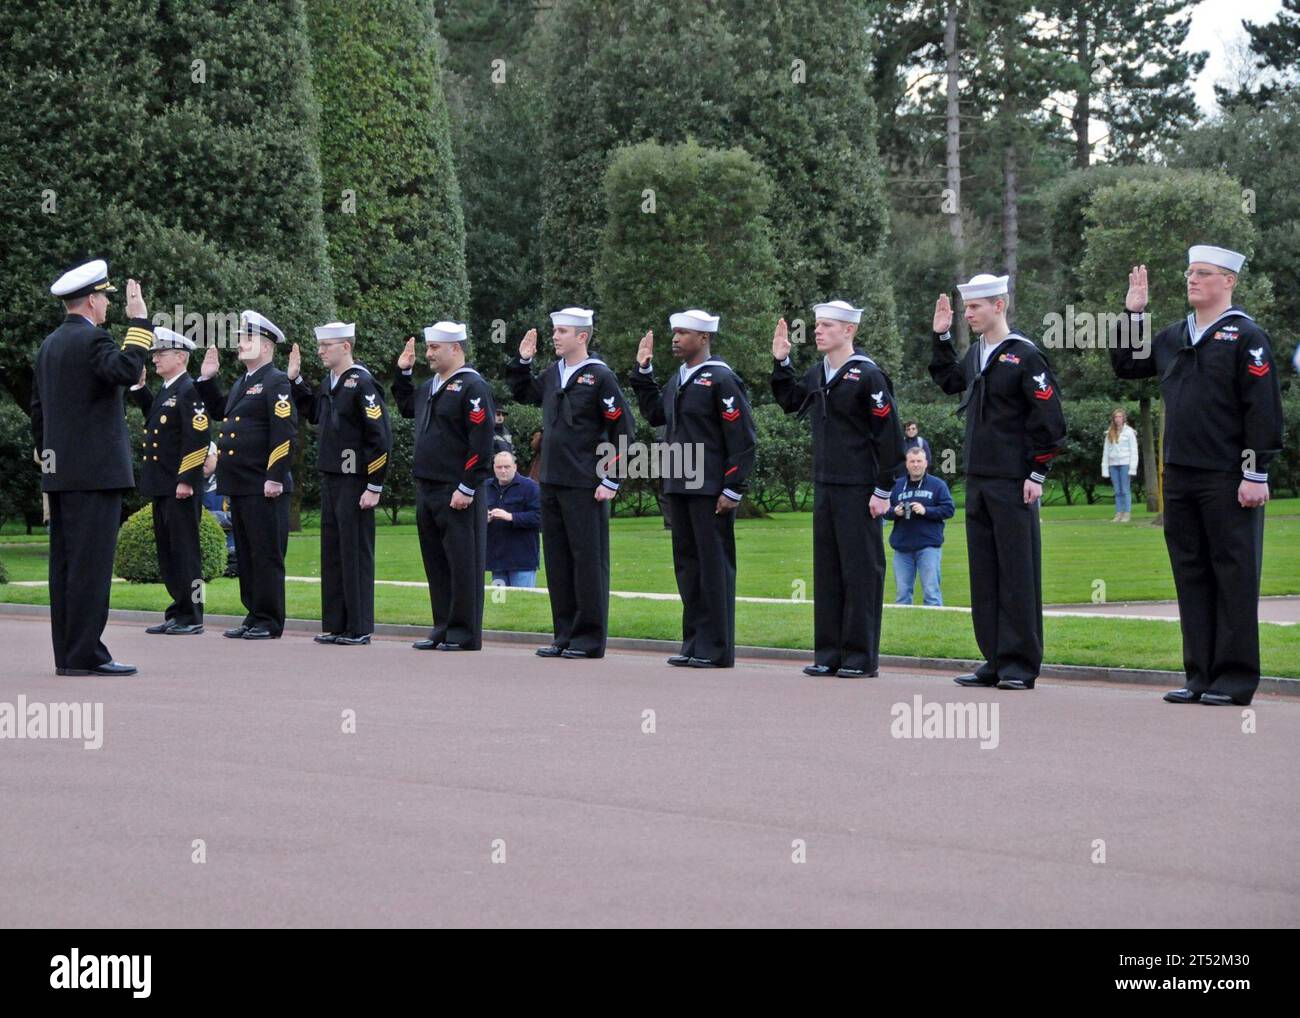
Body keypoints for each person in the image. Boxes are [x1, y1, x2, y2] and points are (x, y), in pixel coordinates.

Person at [1112, 247, 1283, 706]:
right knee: (1191, 575)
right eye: (1189, 272)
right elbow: (1127, 365)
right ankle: (1200, 675)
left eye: (1203, 273)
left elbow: (1263, 408)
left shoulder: (1247, 336)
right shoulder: (1174, 335)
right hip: (1181, 476)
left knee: (1234, 576)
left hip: (1228, 476)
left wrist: (1256, 472)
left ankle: (1234, 679)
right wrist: (1133, 315)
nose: (1192, 279)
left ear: (1228, 281)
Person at [929, 273, 1066, 691]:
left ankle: (1020, 664)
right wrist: (941, 338)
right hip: (979, 480)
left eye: (975, 307)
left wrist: (1037, 473)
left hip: (1013, 481)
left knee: (1017, 573)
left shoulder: (1025, 355)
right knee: (985, 573)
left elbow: (1050, 422)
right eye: (966, 307)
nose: (968, 314)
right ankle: (994, 658)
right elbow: (950, 382)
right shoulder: (977, 354)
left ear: (999, 306)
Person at [31, 260, 153, 675]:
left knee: (66, 567)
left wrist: (49, 457)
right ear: (90, 301)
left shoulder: (50, 345)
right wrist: (140, 322)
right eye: (104, 298)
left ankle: (68, 654)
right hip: (95, 474)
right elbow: (127, 370)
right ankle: (86, 655)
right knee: (91, 569)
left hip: (62, 473)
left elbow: (38, 410)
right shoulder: (93, 339)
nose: (107, 305)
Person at [771, 300, 904, 677]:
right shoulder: (819, 373)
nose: (818, 331)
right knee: (828, 571)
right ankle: (829, 654)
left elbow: (889, 436)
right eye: (817, 325)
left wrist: (883, 489)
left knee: (861, 572)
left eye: (827, 325)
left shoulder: (868, 375)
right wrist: (781, 362)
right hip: (826, 486)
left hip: (860, 488)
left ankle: (860, 657)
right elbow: (790, 401)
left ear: (849, 330)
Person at [506, 307, 637, 659]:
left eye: (562, 331)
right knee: (558, 561)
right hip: (551, 480)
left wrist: (612, 478)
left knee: (587, 561)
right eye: (554, 331)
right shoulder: (554, 373)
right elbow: (524, 392)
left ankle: (588, 638)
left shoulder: (600, 376)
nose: (555, 336)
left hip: (585, 483)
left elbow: (623, 430)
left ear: (582, 336)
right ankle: (563, 635)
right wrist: (522, 361)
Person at [630, 309, 757, 668]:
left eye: (684, 333)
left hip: (709, 489)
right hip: (679, 484)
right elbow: (657, 414)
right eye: (674, 332)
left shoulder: (721, 379)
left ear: (704, 338)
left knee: (713, 568)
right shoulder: (679, 378)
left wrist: (733, 487)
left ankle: (715, 648)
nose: (675, 339)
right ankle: (694, 643)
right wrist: (643, 374)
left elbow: (742, 437)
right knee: (688, 568)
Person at [392, 323, 495, 651]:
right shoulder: (431, 386)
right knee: (436, 563)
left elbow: (481, 440)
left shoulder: (472, 386)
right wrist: (403, 374)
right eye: (428, 347)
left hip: (456, 489)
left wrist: (468, 486)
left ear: (456, 348)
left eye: (435, 348)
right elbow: (407, 407)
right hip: (428, 487)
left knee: (463, 563)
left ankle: (464, 633)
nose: (429, 354)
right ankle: (443, 627)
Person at [287, 322, 392, 646]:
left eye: (326, 346)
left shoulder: (362, 382)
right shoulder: (330, 382)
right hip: (332, 476)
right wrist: (296, 381)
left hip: (355, 479)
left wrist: (374, 485)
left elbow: (379, 437)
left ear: (346, 347)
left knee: (355, 552)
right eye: (320, 346)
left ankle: (358, 626)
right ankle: (337, 624)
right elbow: (314, 413)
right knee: (333, 552)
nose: (320, 351)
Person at [195, 310, 298, 640]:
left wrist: (275, 476)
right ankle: (254, 614)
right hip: (240, 483)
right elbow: (221, 411)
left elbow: (284, 432)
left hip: (262, 483)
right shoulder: (244, 381)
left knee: (266, 554)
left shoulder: (276, 380)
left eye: (247, 338)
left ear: (266, 346)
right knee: (248, 554)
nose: (240, 343)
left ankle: (269, 619)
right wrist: (207, 380)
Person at [127, 327, 210, 635]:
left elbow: (198, 438)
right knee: (170, 552)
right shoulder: (169, 389)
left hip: (179, 486)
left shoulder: (190, 390)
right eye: (155, 354)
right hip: (162, 484)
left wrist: (186, 479)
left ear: (181, 357)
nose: (155, 359)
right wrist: (140, 389)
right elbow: (158, 419)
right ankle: (178, 610)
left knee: (186, 553)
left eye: (161, 353)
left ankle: (193, 615)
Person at [889, 446, 955, 606]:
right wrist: (894, 511)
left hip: (928, 546)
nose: (916, 465)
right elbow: (884, 510)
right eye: (912, 461)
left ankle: (935, 620)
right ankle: (903, 621)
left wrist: (926, 510)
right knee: (902, 594)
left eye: (919, 461)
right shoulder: (897, 485)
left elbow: (949, 509)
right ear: (906, 464)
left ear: (926, 463)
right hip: (902, 547)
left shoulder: (937, 485)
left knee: (931, 592)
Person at [485, 450, 542, 588]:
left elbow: (540, 517)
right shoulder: (485, 487)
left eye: (507, 467)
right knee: (499, 600)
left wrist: (511, 517)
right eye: (499, 467)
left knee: (522, 599)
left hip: (522, 561)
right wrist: (483, 518)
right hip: (497, 562)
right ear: (493, 468)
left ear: (515, 467)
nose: (503, 471)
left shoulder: (530, 487)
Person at [1100, 407, 1139, 522]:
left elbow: (1134, 451)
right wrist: (1105, 468)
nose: (1118, 419)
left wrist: (1132, 468)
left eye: (1120, 417)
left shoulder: (1129, 432)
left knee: (1125, 490)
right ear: (1113, 419)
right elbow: (1106, 451)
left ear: (1123, 418)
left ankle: (1127, 513)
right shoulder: (1109, 432)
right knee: (1117, 491)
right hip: (1113, 464)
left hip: (1125, 463)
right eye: (1116, 417)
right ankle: (1118, 513)